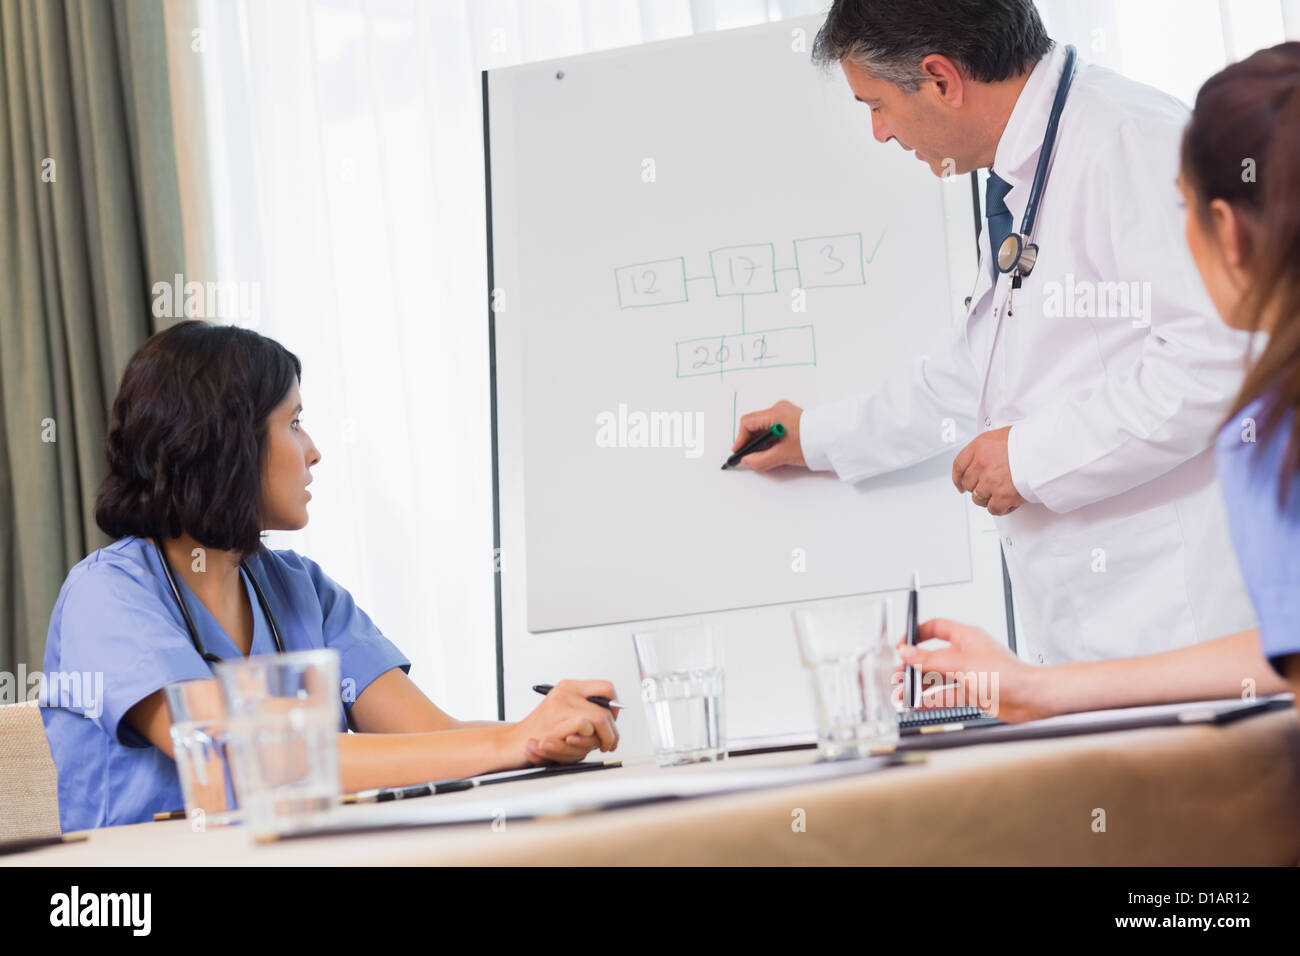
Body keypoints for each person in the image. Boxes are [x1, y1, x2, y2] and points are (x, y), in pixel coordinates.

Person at [732, 0, 1255, 665]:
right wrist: (812, 436)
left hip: (1177, 625)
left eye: (876, 105)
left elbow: (1221, 361)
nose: (880, 133)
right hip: (1092, 641)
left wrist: (1031, 458)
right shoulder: (1025, 172)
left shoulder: (1130, 141)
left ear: (942, 79)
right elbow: (975, 370)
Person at [39, 320, 620, 831]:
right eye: (294, 423)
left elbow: (425, 734)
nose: (313, 451)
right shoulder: (107, 594)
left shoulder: (299, 587)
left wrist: (536, 735)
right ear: (224, 445)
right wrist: (508, 742)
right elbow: (233, 758)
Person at [897, 42, 1300, 720]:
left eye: (1185, 211)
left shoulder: (1268, 440)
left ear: (1227, 231)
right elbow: (1281, 655)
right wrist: (1036, 687)